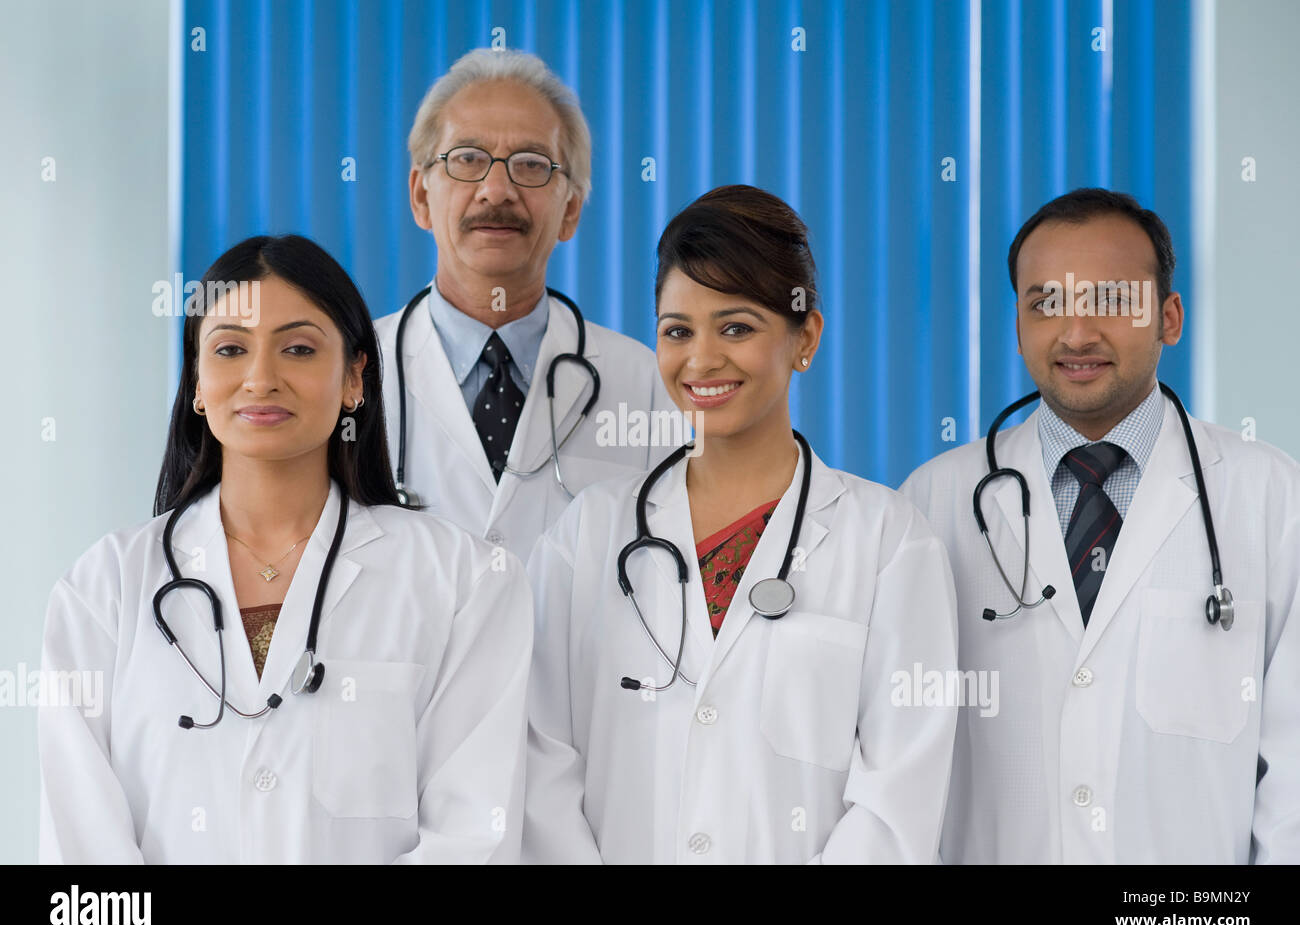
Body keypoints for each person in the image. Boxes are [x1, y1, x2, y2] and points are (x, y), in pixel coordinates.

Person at [39, 235, 532, 864]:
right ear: (196, 379)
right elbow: (80, 855)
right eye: (229, 349)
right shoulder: (101, 588)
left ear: (355, 376)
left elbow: (474, 838)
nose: (261, 378)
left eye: (298, 348)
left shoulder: (464, 581)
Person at [523, 185, 959, 864]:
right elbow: (540, 762)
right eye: (677, 331)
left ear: (804, 336)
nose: (701, 360)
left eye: (736, 327)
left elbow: (897, 798)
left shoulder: (890, 543)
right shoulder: (588, 536)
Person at [901, 188, 1300, 864]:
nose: (1076, 333)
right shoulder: (934, 503)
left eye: (1112, 302)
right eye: (1045, 303)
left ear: (1170, 316)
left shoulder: (1270, 496)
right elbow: (899, 760)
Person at [375, 48, 672, 561]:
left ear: (571, 210)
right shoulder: (351, 374)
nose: (497, 190)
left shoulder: (644, 385)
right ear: (421, 195)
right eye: (467, 158)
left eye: (531, 165)